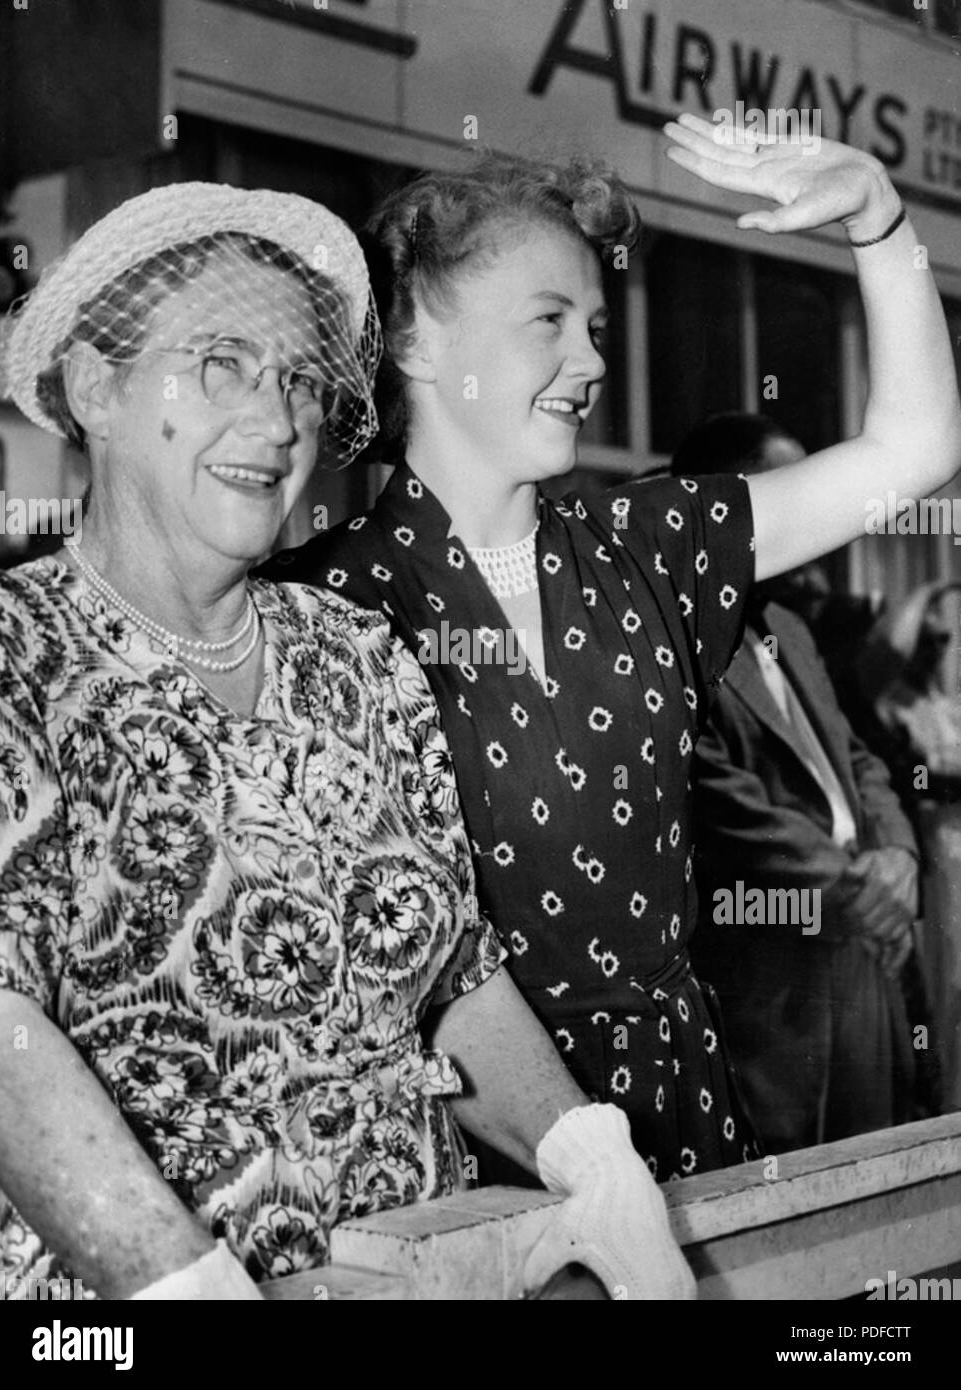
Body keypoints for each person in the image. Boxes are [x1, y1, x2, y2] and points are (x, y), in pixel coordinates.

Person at [0, 183, 696, 1302]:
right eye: (222, 363)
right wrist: (179, 1283)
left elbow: (452, 974)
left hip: (426, 1266)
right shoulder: (9, 653)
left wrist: (587, 1159)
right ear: (96, 386)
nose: (276, 425)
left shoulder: (358, 653)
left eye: (301, 381)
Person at [264, 114, 961, 1182]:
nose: (591, 360)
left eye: (594, 323)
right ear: (415, 341)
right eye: (547, 319)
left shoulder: (652, 543)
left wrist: (880, 220)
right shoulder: (323, 606)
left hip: (679, 1103)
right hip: (457, 1139)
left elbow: (911, 449)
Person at [672, 413, 936, 1152]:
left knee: (885, 1194)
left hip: (862, 950)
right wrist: (863, 892)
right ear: (722, 503)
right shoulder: (673, 637)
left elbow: (858, 762)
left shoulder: (787, 624)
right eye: (788, 486)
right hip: (777, 984)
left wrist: (900, 857)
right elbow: (727, 812)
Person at [859, 582, 961, 1108]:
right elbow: (910, 778)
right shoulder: (890, 706)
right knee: (946, 977)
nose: (936, 652)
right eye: (928, 641)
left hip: (958, 844)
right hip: (934, 850)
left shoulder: (940, 701)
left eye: (944, 642)